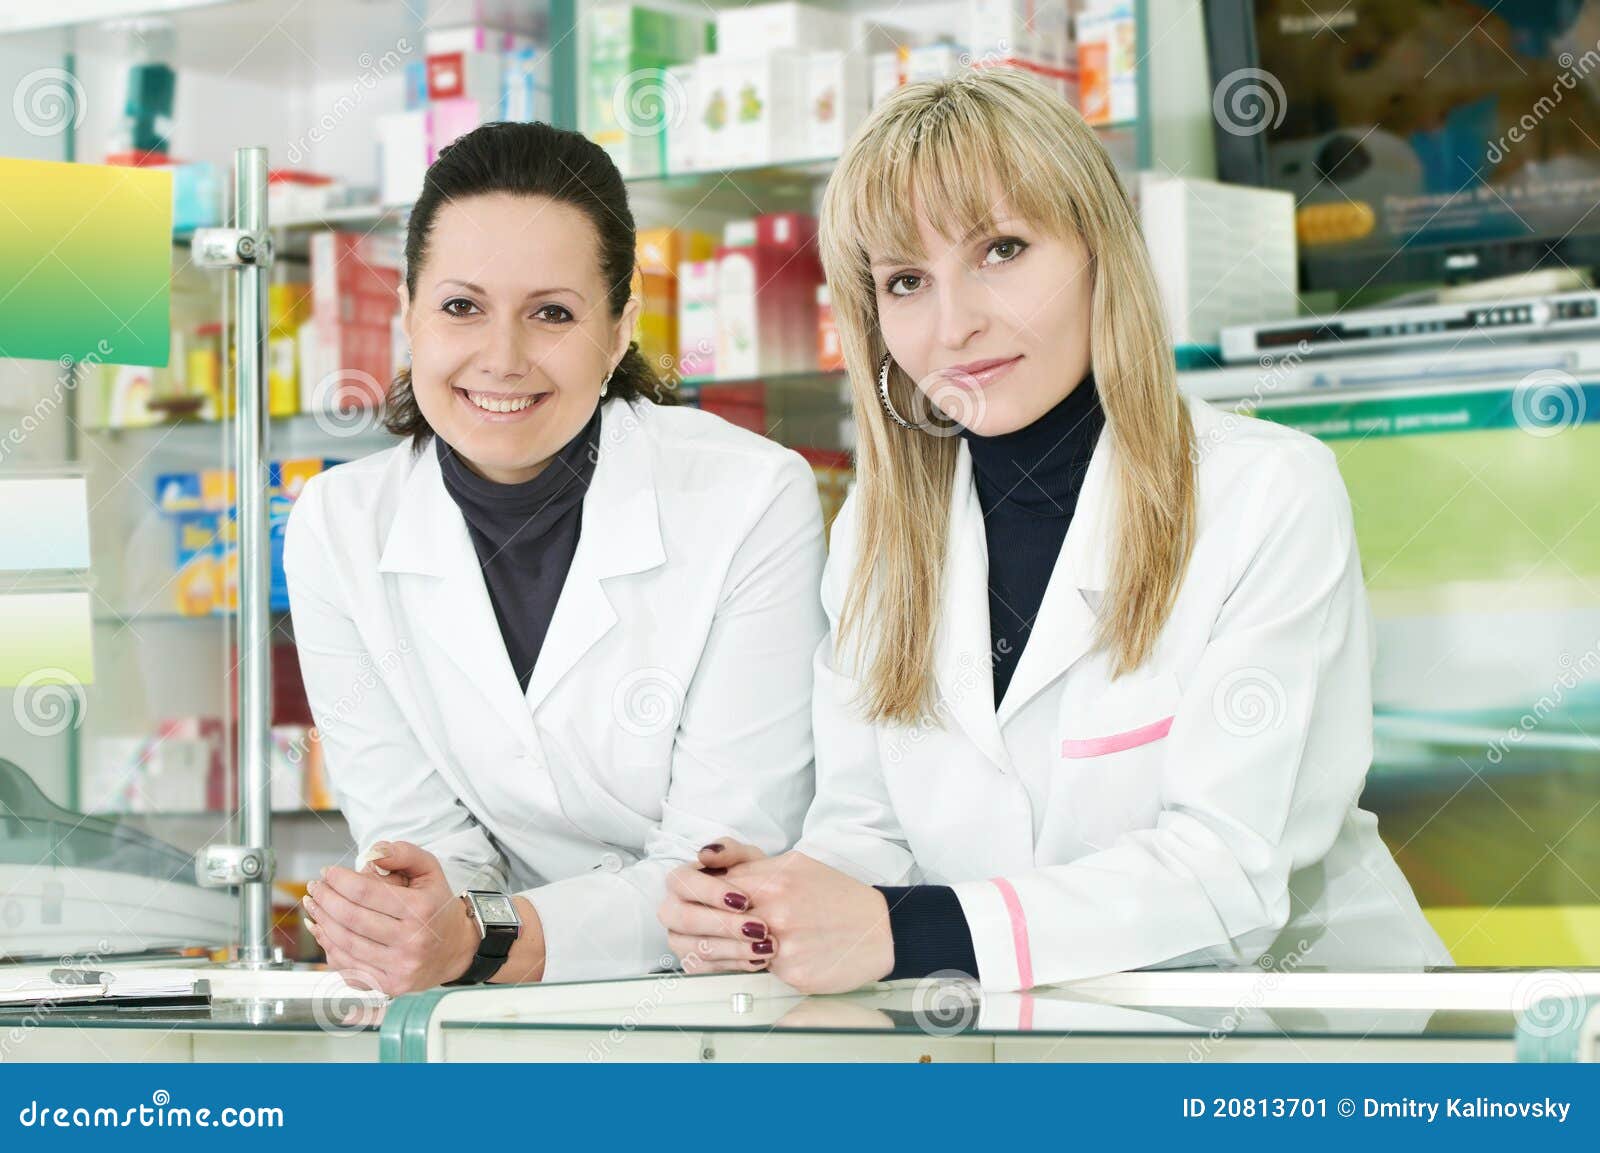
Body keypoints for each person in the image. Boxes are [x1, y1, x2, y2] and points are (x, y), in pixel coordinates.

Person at [658, 68, 1452, 994]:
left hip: (1289, 1040)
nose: (955, 325)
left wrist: (900, 929)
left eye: (1001, 250)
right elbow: (865, 831)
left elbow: (1227, 873)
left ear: (1098, 251)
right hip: (1019, 1035)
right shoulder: (878, 529)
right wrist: (774, 903)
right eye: (907, 280)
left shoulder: (1266, 491)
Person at [284, 121, 826, 994]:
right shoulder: (335, 525)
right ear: (409, 315)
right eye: (462, 306)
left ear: (619, 328)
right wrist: (410, 918)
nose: (502, 358)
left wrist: (482, 940)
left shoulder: (751, 499)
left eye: (553, 313)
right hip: (487, 1016)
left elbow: (720, 868)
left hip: (734, 1006)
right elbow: (420, 841)